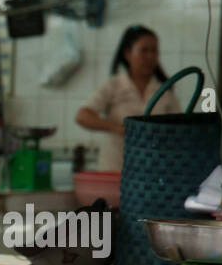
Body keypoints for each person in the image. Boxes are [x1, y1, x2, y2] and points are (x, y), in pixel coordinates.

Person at [76, 25, 180, 172]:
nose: (150, 56)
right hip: (114, 169)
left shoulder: (164, 90)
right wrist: (119, 128)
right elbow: (82, 116)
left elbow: (180, 128)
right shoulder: (114, 85)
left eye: (154, 51)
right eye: (144, 50)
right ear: (127, 53)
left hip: (154, 171)